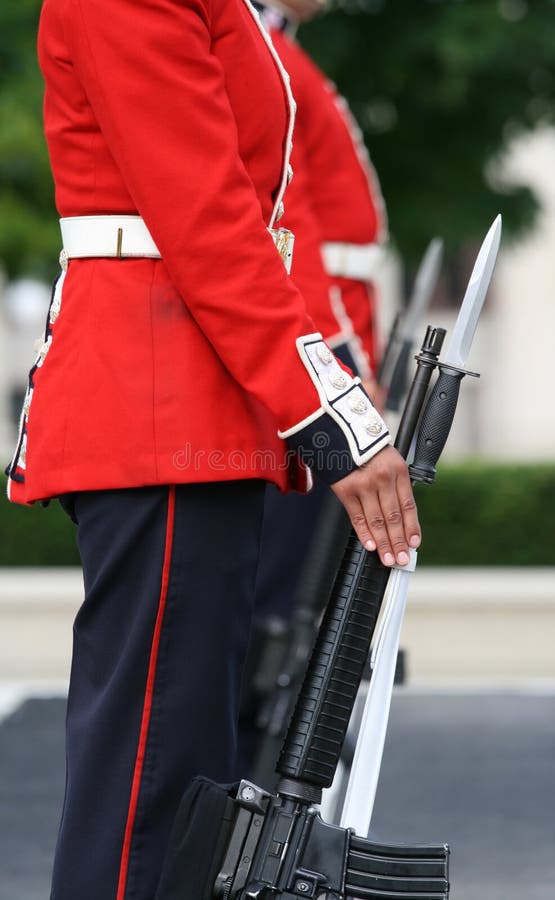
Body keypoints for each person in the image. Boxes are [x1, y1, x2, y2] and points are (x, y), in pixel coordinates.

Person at [6, 1, 420, 898]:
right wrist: (332, 420)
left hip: (197, 416)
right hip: (158, 414)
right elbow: (207, 225)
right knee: (149, 796)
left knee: (187, 784)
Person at [240, 0, 391, 745]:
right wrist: (341, 369)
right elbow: (287, 224)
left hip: (327, 339)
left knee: (300, 603)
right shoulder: (257, 47)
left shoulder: (281, 48)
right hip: (313, 350)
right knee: (271, 615)